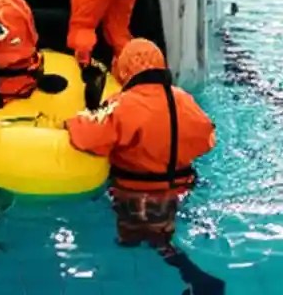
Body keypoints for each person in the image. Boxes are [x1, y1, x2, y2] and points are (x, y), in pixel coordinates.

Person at [66, 39, 223, 294]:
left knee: (130, 240)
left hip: (132, 193)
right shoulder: (183, 99)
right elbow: (207, 138)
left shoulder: (124, 103)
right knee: (162, 239)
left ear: (125, 70)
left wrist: (75, 120)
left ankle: (177, 277)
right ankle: (192, 275)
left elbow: (88, 136)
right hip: (179, 190)